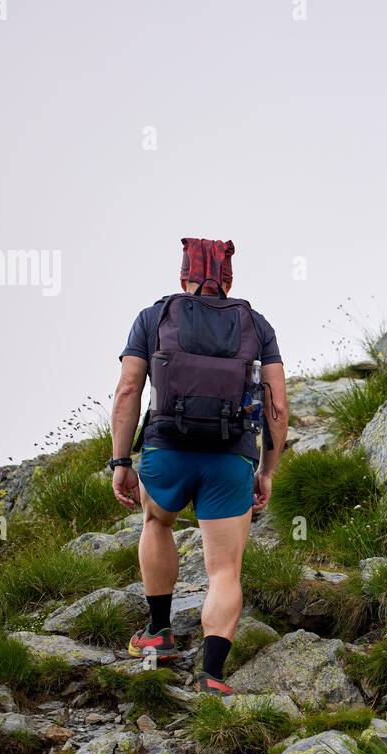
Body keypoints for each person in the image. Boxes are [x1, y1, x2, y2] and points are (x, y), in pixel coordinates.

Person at [108, 237, 290, 695]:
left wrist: (120, 459)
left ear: (183, 275)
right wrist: (267, 469)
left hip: (166, 450)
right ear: (229, 279)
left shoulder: (153, 318)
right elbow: (278, 406)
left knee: (157, 521)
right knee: (224, 568)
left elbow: (129, 390)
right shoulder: (257, 325)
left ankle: (158, 633)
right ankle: (211, 674)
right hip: (230, 457)